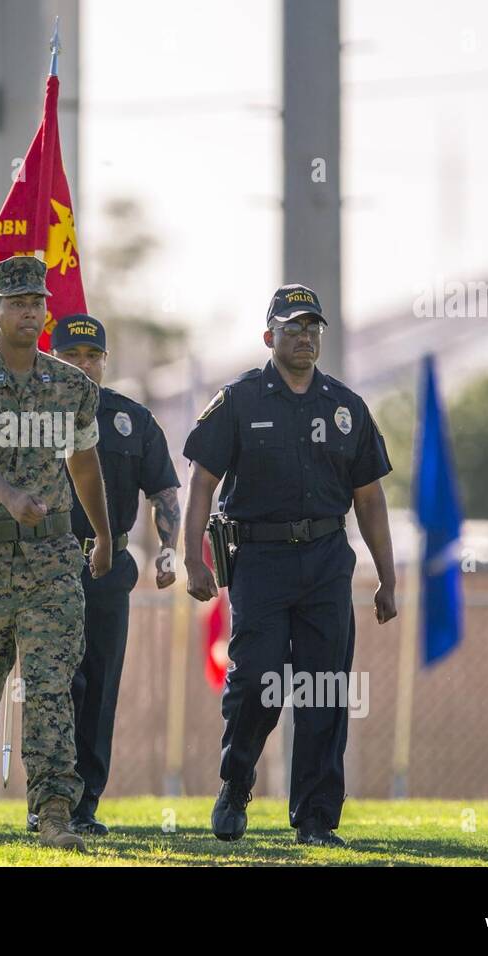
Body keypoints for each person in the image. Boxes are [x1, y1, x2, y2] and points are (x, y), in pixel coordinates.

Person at [182, 283, 398, 847]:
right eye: (292, 327)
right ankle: (236, 783)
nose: (304, 337)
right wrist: (192, 559)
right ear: (268, 336)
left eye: (312, 328)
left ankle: (316, 818)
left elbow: (370, 499)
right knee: (258, 680)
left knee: (324, 687)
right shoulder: (240, 401)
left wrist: (388, 576)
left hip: (328, 561)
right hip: (260, 561)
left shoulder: (346, 407)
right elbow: (202, 482)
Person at [0, 255, 113, 853]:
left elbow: (85, 463)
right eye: (16, 303)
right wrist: (8, 496)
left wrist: (104, 534)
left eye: (36, 302)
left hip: (51, 563)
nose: (28, 311)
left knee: (50, 684)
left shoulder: (72, 384)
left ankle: (55, 809)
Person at [23, 313, 180, 836]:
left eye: (93, 356)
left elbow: (163, 493)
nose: (84, 366)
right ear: (53, 357)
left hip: (108, 569)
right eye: (72, 356)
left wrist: (168, 550)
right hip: (43, 566)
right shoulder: (30, 416)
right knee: (51, 686)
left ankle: (83, 804)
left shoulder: (131, 420)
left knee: (99, 685)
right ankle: (46, 799)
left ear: (105, 361)